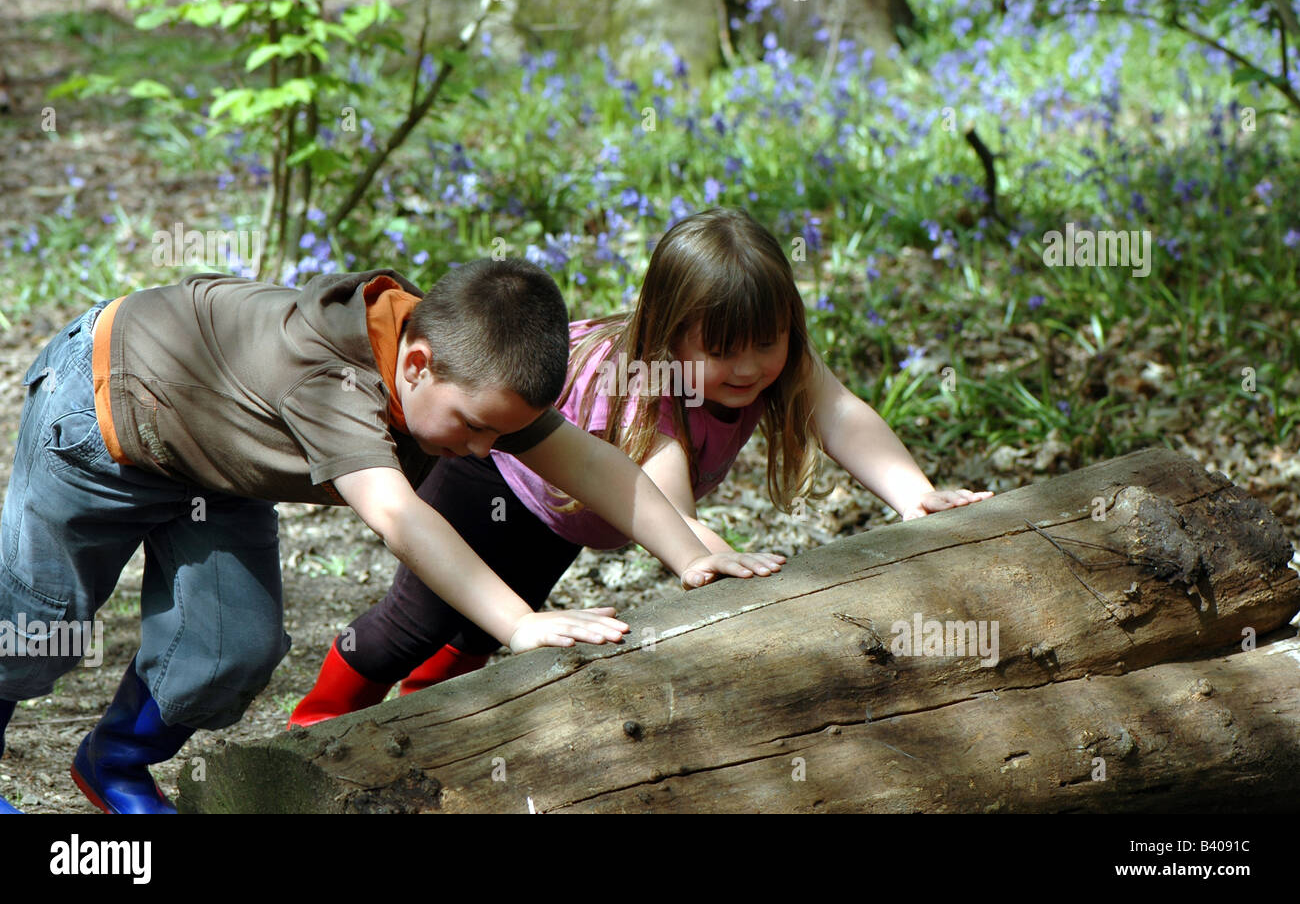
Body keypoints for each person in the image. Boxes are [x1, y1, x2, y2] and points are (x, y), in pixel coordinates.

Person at [0, 257, 782, 814]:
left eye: (499, 435)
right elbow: (401, 517)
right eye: (474, 429)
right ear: (415, 364)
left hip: (215, 465)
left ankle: (116, 762)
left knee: (231, 649)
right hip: (105, 417)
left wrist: (694, 551)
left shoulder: (468, 366)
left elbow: (596, 464)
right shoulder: (329, 378)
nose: (484, 451)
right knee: (37, 626)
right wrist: (519, 621)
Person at [290, 209, 991, 726]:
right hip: (490, 468)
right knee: (416, 621)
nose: (748, 367)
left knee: (483, 631)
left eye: (766, 344)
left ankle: (421, 722)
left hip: (567, 515)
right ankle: (315, 724)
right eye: (721, 350)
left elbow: (840, 415)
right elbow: (673, 513)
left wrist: (915, 494)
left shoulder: (777, 363)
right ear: (666, 333)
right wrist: (720, 559)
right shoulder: (647, 393)